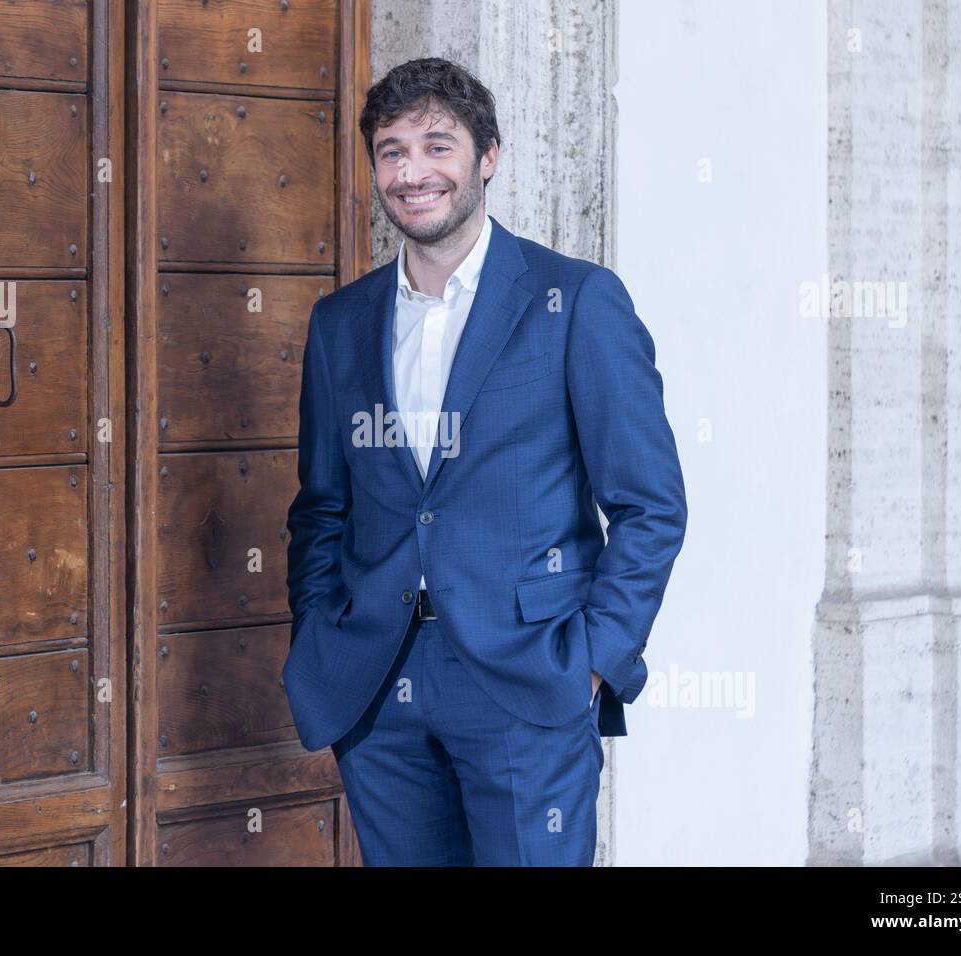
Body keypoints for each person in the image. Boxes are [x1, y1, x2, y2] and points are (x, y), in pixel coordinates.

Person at [282, 57, 688, 866]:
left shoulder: (574, 301)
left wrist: (592, 663)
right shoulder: (340, 323)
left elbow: (651, 505)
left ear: (488, 156)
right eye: (392, 152)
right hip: (378, 684)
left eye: (438, 146)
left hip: (530, 681)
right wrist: (322, 632)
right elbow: (322, 507)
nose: (413, 172)